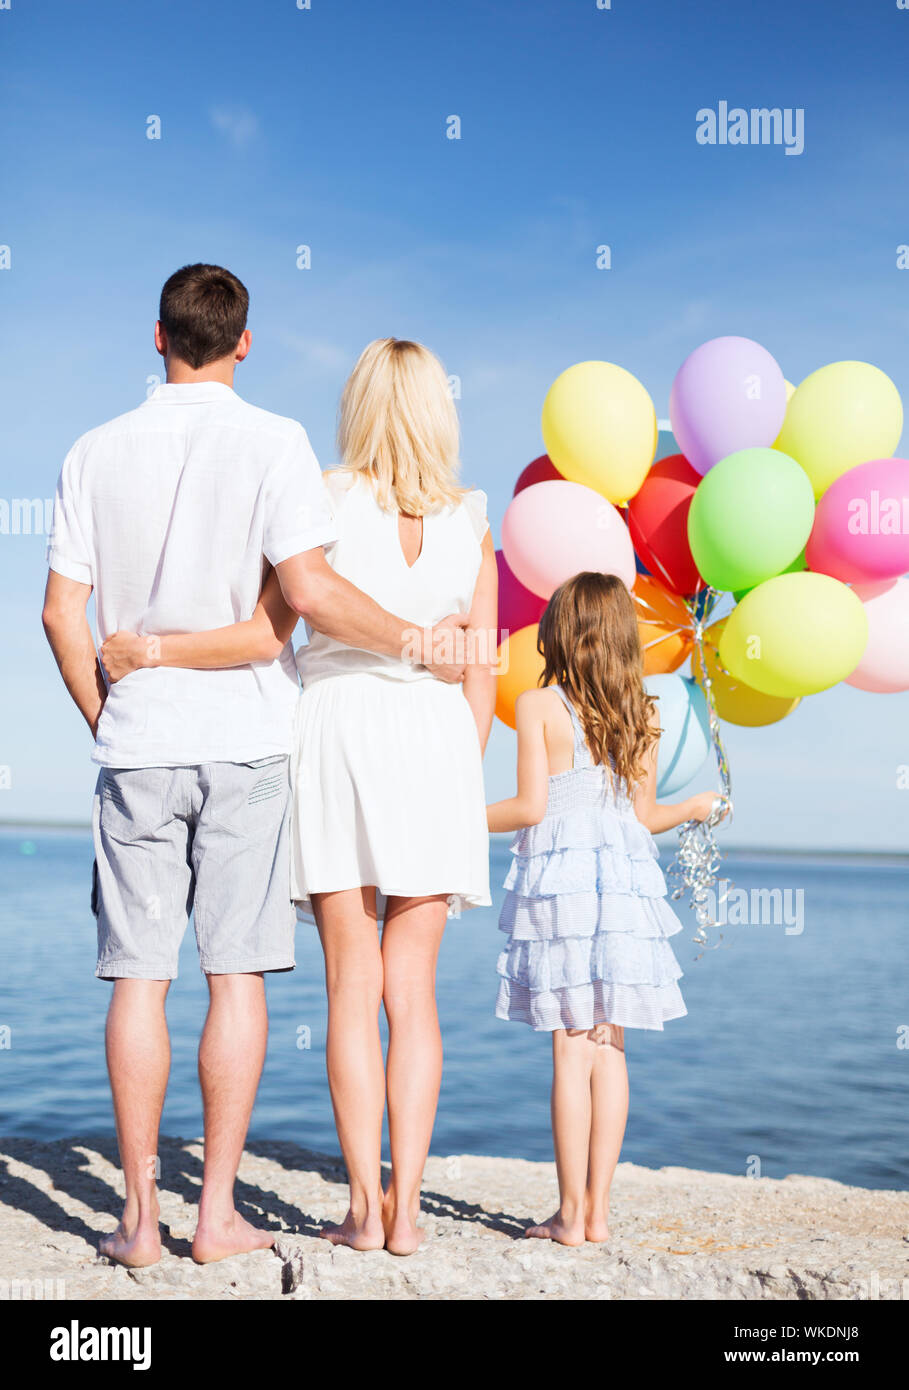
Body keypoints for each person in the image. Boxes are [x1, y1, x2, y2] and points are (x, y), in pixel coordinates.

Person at [42, 268, 468, 1269]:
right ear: (244, 343)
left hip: (138, 739)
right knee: (236, 979)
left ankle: (139, 1220)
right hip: (248, 744)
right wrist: (418, 643)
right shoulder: (277, 443)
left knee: (137, 980)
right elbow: (306, 589)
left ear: (156, 337)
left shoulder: (91, 450)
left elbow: (64, 614)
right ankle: (216, 1215)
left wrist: (111, 716)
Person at [487, 571, 725, 1247]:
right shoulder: (642, 710)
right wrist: (695, 807)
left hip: (562, 878)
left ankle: (566, 1214)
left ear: (559, 632)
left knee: (568, 1047)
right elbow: (644, 815)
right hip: (620, 881)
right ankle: (597, 1213)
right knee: (609, 1046)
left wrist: (456, 817)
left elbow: (530, 808)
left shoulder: (538, 707)